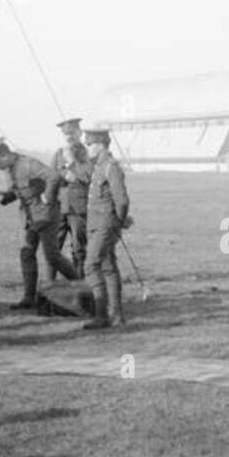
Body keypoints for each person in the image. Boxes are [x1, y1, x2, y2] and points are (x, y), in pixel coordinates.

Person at [0, 137, 77, 310]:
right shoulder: (9, 170)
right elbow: (20, 191)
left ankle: (83, 289)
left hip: (46, 215)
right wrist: (4, 197)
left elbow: (53, 177)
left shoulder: (29, 164)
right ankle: (28, 298)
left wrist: (47, 198)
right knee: (26, 254)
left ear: (4, 155)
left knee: (52, 257)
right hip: (28, 217)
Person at [80, 121, 131, 330]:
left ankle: (102, 315)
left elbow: (122, 200)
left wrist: (118, 221)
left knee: (90, 265)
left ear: (101, 144)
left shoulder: (111, 166)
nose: (88, 148)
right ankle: (116, 317)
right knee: (108, 267)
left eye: (91, 144)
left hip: (105, 225)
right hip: (96, 224)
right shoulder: (98, 167)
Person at [51, 117, 92, 279]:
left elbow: (88, 177)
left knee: (79, 248)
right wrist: (63, 176)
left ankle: (79, 283)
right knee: (53, 248)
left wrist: (73, 165)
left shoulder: (86, 153)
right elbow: (51, 177)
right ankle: (49, 286)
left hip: (79, 208)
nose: (69, 137)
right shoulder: (58, 153)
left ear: (79, 133)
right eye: (65, 134)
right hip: (60, 207)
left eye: (72, 133)